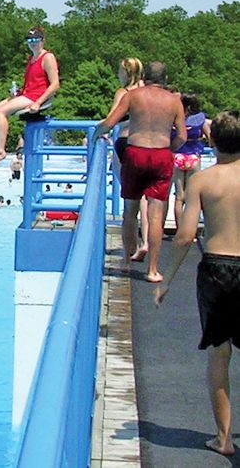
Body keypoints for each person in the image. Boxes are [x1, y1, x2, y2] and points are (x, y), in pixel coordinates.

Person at [154, 111, 240, 457]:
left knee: (220, 355)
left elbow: (186, 236)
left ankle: (224, 438)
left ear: (211, 140)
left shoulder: (202, 181)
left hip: (218, 267)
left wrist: (167, 280)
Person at [92, 62, 186, 281]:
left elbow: (110, 122)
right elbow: (181, 136)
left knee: (130, 211)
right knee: (155, 215)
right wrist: (168, 150)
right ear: (165, 77)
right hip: (161, 155)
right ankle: (152, 270)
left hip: (136, 153)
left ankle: (125, 261)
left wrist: (96, 134)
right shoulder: (174, 101)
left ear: (145, 76)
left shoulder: (133, 96)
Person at [0, 27, 60, 166]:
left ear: (42, 40)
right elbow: (32, 83)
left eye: (36, 39)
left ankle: (0, 151)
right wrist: (17, 93)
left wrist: (38, 102)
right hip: (26, 93)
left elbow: (55, 85)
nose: (33, 42)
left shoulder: (47, 57)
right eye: (29, 40)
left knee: (0, 112)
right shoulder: (31, 58)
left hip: (36, 97)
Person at [106, 58, 150, 261]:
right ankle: (146, 241)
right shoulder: (147, 91)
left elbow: (113, 117)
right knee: (146, 199)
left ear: (126, 73)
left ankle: (128, 254)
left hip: (125, 142)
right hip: (147, 144)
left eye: (120, 70)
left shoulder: (123, 93)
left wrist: (100, 132)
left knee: (130, 201)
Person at [172, 93, 212, 229]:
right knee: (192, 197)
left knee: (179, 197)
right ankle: (190, 230)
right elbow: (210, 138)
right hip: (194, 157)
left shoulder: (175, 118)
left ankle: (179, 230)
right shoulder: (200, 120)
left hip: (177, 157)